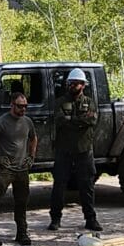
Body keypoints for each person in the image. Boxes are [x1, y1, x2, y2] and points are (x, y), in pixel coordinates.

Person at [0, 92, 37, 246]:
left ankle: (22, 232)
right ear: (12, 105)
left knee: (22, 202)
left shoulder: (27, 122)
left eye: (25, 106)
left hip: (22, 169)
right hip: (5, 170)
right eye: (20, 106)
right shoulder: (2, 122)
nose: (23, 109)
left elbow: (33, 138)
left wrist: (31, 156)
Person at [47, 68, 101, 232]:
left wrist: (72, 120)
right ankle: (55, 219)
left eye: (76, 83)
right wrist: (79, 121)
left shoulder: (90, 102)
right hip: (64, 150)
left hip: (84, 150)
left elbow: (92, 119)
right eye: (70, 83)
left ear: (83, 85)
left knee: (87, 186)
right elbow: (60, 120)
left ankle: (90, 219)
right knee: (59, 185)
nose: (72, 85)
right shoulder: (60, 102)